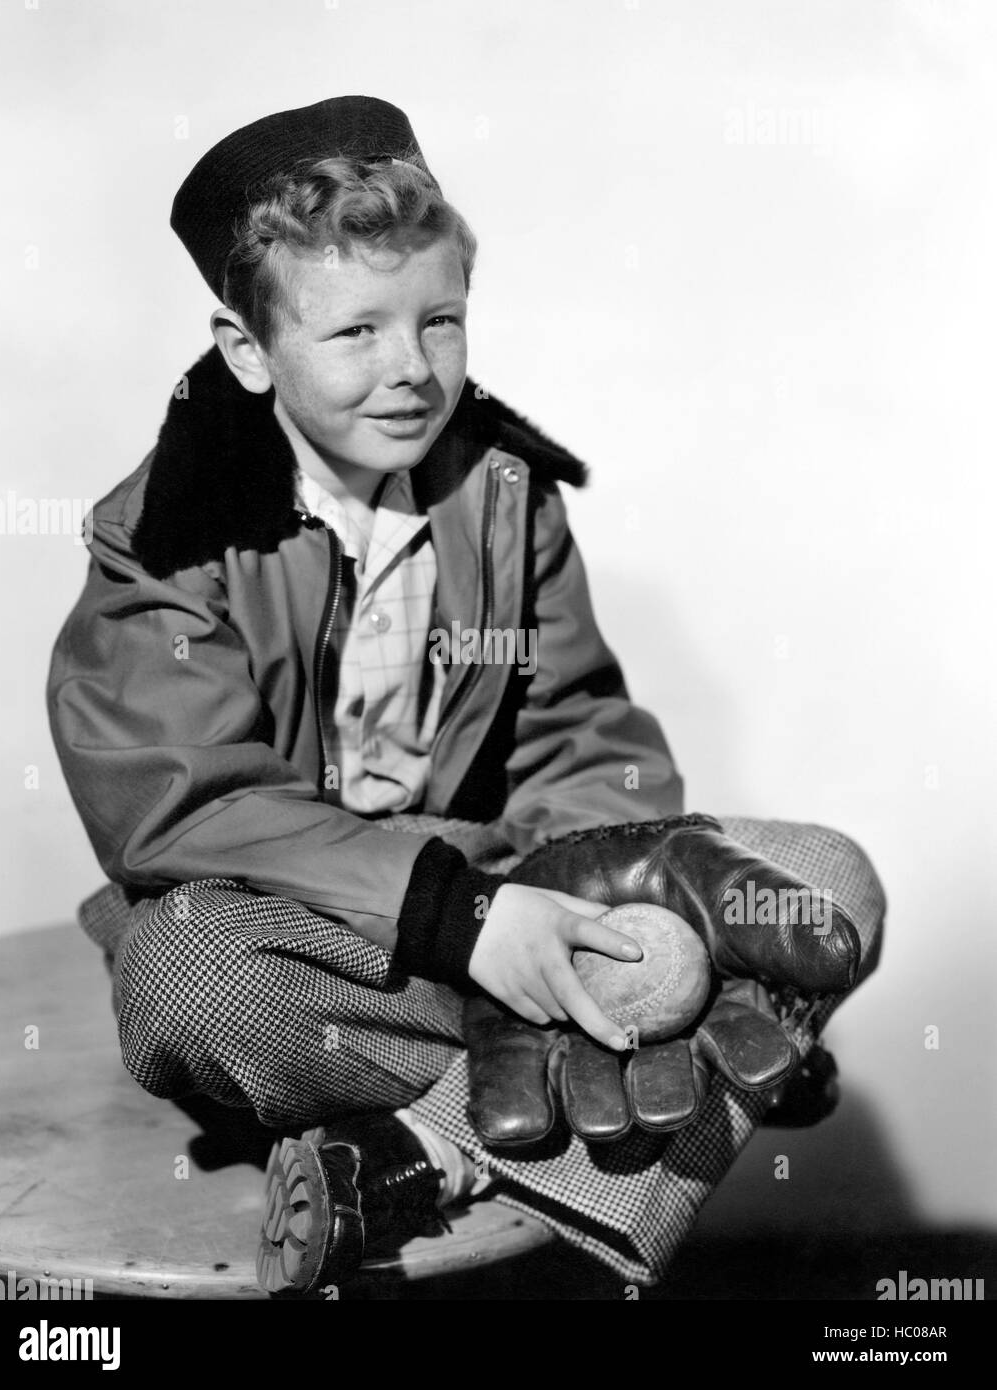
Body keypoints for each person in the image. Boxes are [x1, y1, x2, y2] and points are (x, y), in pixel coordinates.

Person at [47, 95, 886, 1297]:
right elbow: (179, 809)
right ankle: (686, 1045)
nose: (411, 370)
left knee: (828, 878)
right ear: (246, 350)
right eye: (353, 334)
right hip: (308, 922)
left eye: (438, 321)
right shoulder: (162, 533)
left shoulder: (500, 489)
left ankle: (420, 1146)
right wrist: (470, 926)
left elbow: (574, 719)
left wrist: (593, 881)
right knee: (189, 979)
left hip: (506, 884)